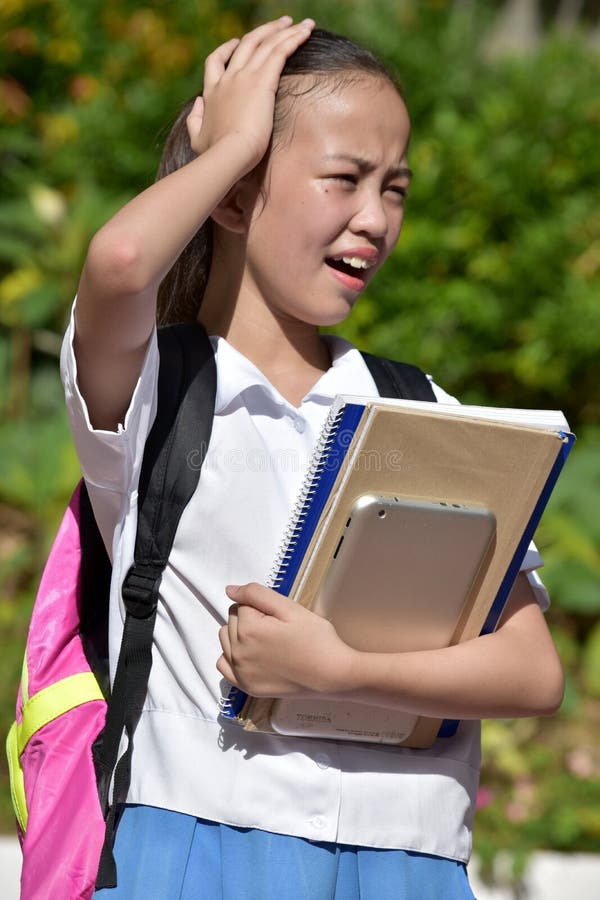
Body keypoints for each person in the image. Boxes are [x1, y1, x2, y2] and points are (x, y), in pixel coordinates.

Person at [61, 16, 564, 899]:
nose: (375, 219)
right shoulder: (151, 388)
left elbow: (532, 671)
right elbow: (122, 260)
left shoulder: (425, 409)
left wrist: (342, 672)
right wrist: (232, 146)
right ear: (232, 197)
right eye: (344, 179)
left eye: (395, 188)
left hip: (407, 857)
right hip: (196, 842)